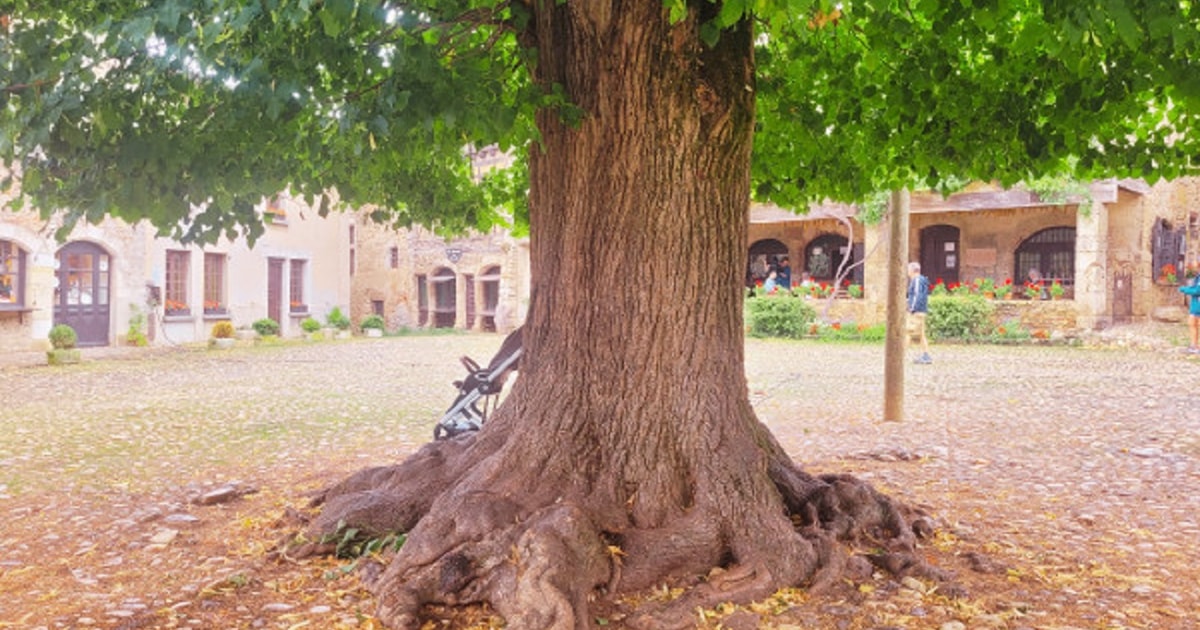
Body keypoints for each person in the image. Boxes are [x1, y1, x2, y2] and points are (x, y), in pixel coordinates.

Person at [907, 261, 932, 364]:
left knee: (907, 332)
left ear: (912, 270)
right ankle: (926, 355)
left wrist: (912, 308)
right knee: (922, 335)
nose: (908, 272)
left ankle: (898, 356)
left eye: (908, 270)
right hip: (921, 310)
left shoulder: (917, 280)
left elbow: (917, 295)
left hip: (917, 311)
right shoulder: (920, 280)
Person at [1179, 273, 1200, 353]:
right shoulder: (1198, 276)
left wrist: (1184, 290)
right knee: (1192, 324)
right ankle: (1193, 346)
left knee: (1197, 325)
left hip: (1198, 306)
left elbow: (1198, 291)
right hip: (1195, 306)